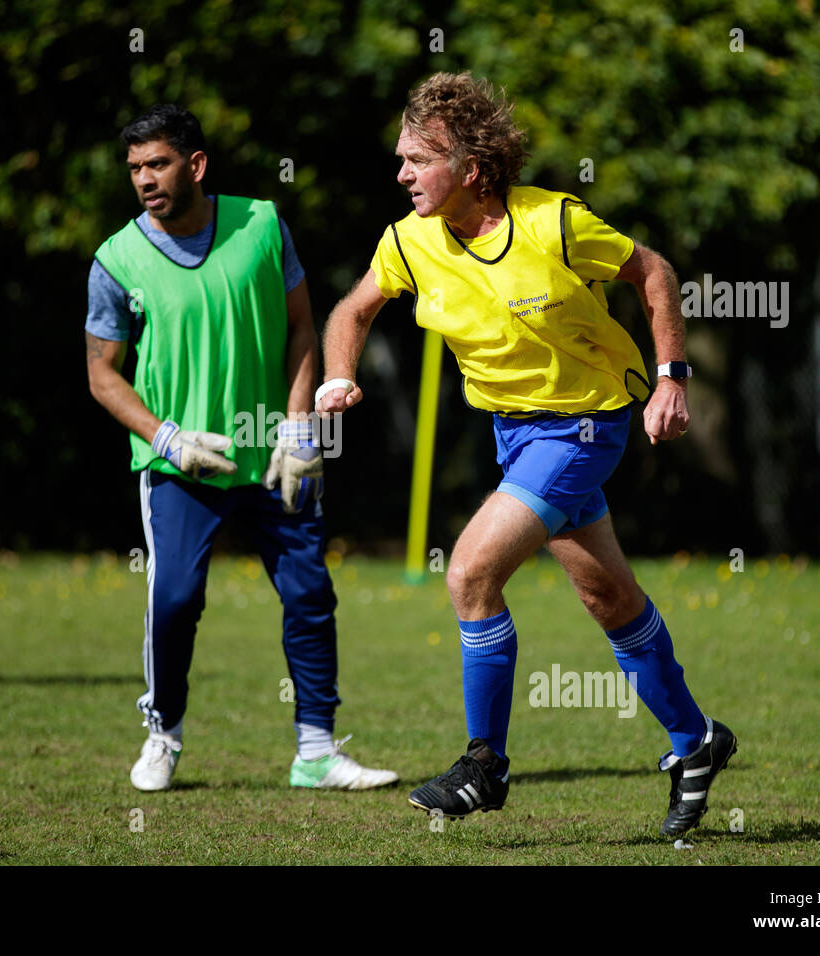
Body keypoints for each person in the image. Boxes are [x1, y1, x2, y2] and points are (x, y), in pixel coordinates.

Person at [317, 73, 736, 837]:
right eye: (401, 158)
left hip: (585, 424)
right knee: (608, 600)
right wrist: (341, 373)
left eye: (418, 159)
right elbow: (352, 309)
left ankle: (485, 765)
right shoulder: (409, 240)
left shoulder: (553, 223)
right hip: (514, 435)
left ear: (471, 171)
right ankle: (696, 740)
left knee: (471, 570)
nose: (402, 174)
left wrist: (672, 377)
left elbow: (655, 273)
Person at [85, 104, 396, 793]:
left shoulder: (262, 225)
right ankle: (163, 733)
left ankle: (315, 751)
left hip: (274, 457)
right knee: (173, 599)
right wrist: (165, 436)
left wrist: (297, 427)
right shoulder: (116, 260)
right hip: (177, 466)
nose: (144, 180)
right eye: (134, 168)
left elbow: (301, 328)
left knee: (310, 592)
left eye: (157, 164)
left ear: (195, 165)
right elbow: (101, 374)